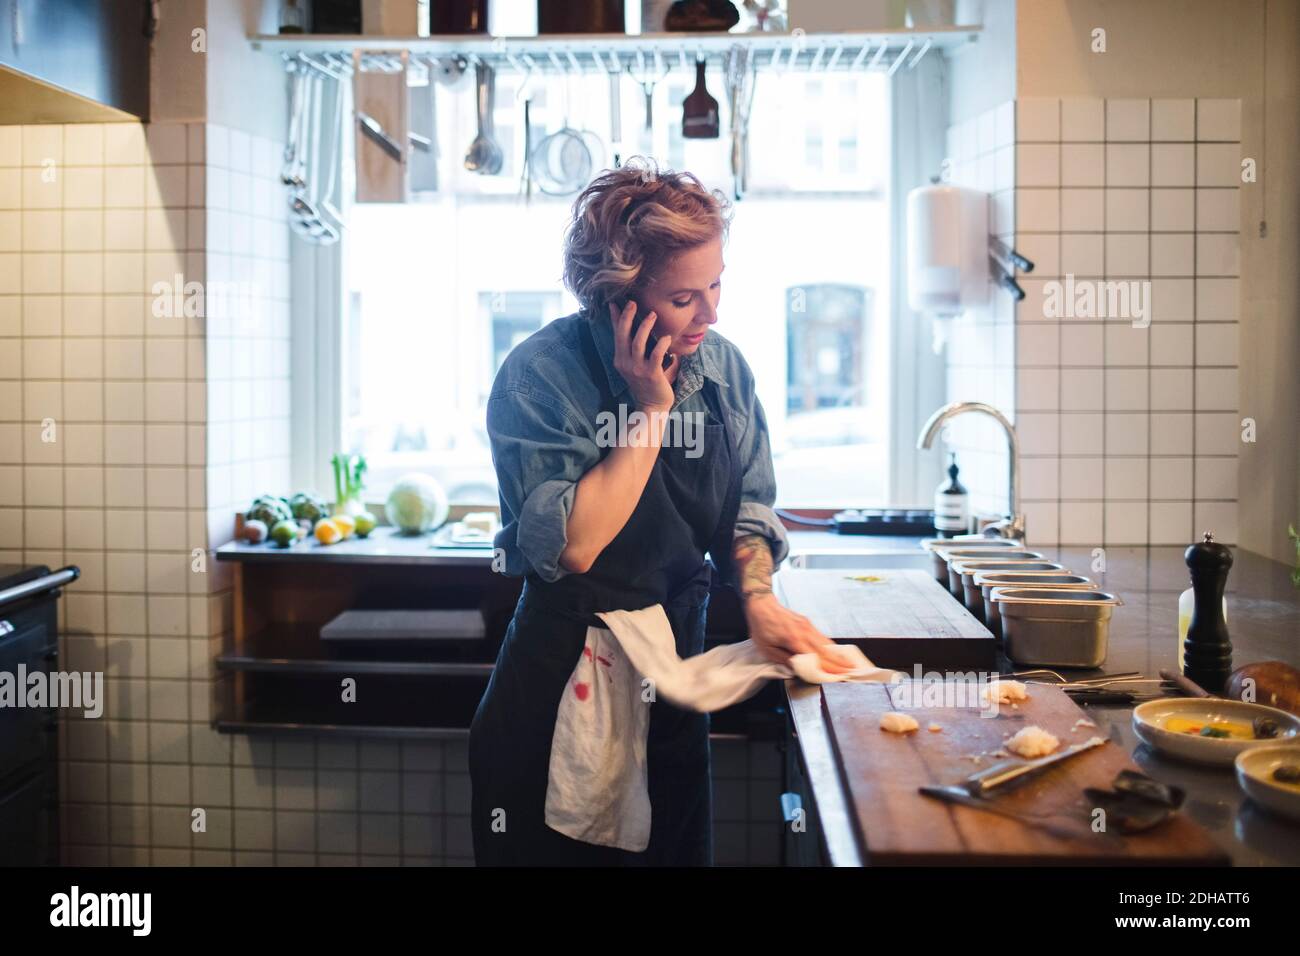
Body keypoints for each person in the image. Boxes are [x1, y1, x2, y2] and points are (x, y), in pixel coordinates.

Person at [469, 160, 846, 866]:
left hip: (671, 678)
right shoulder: (539, 376)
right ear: (619, 300)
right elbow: (575, 546)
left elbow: (748, 511)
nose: (710, 314)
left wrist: (758, 596)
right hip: (559, 689)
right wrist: (650, 410)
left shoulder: (725, 369)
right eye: (683, 298)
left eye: (716, 284)